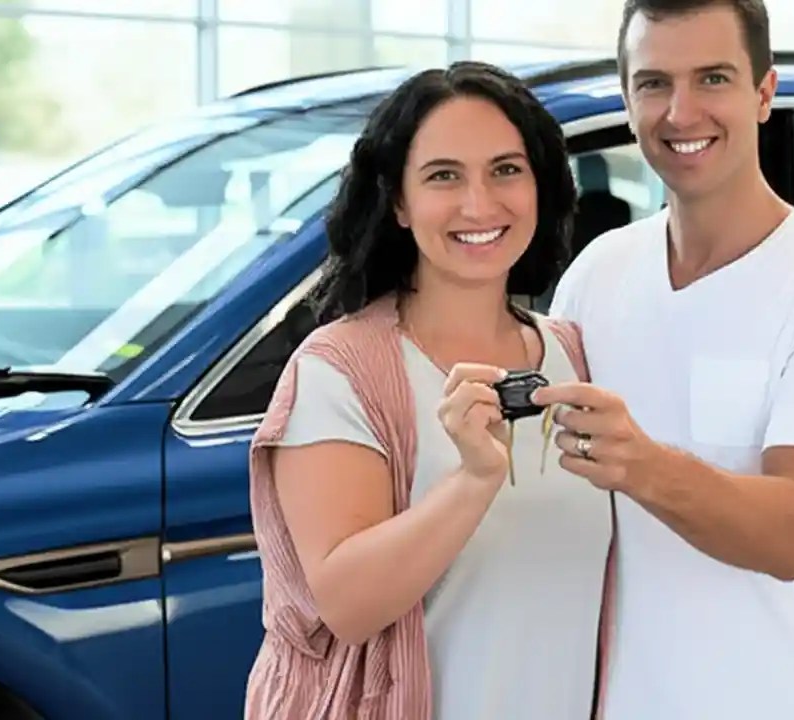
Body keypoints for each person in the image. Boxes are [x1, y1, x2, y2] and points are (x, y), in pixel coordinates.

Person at [534, 1, 794, 719]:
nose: (681, 112)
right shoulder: (598, 273)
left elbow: (792, 533)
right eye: (653, 83)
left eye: (712, 78)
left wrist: (641, 463)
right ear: (627, 98)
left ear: (764, 93)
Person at [244, 61, 615, 719]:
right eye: (444, 175)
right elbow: (348, 605)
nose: (479, 204)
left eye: (506, 170)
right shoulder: (341, 371)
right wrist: (473, 481)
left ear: (541, 187)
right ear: (398, 202)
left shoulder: (574, 354)